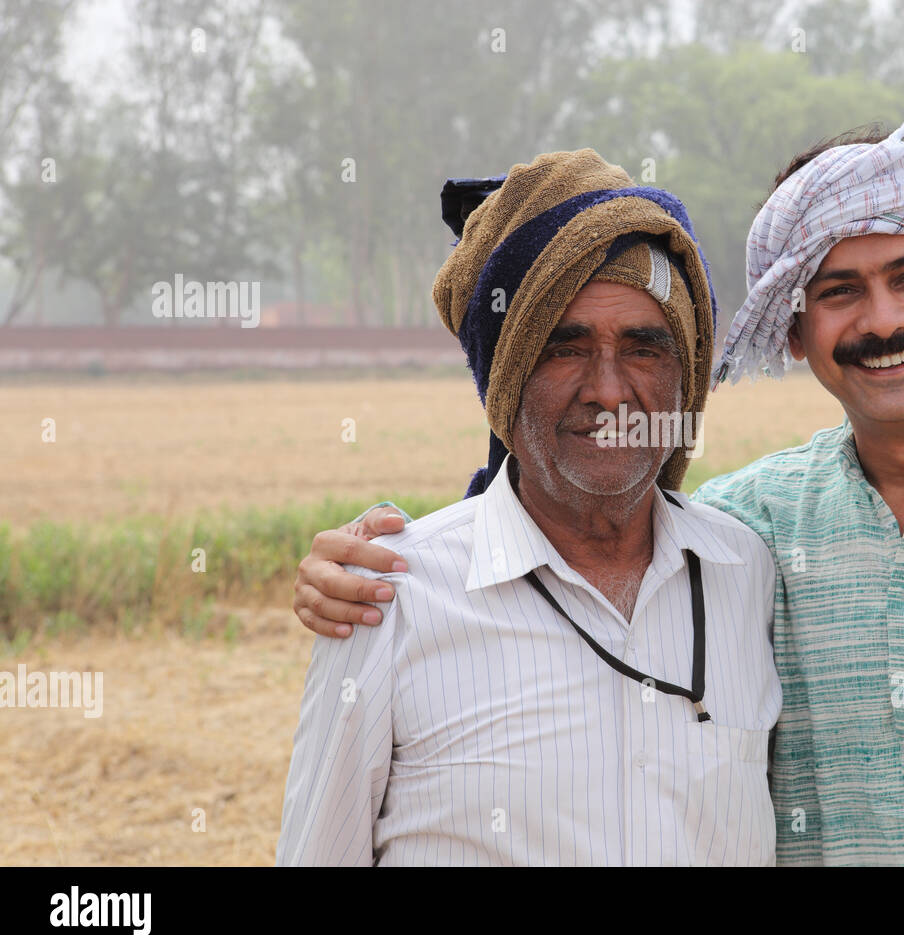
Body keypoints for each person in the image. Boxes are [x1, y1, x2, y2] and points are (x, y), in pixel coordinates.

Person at [295, 122, 904, 865]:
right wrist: (383, 563)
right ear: (793, 329)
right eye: (836, 291)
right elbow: (562, 526)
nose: (882, 319)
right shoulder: (752, 534)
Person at [276, 148, 780, 866]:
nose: (609, 390)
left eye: (644, 348)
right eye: (564, 348)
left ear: (686, 381)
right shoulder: (388, 601)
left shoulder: (748, 576)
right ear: (506, 388)